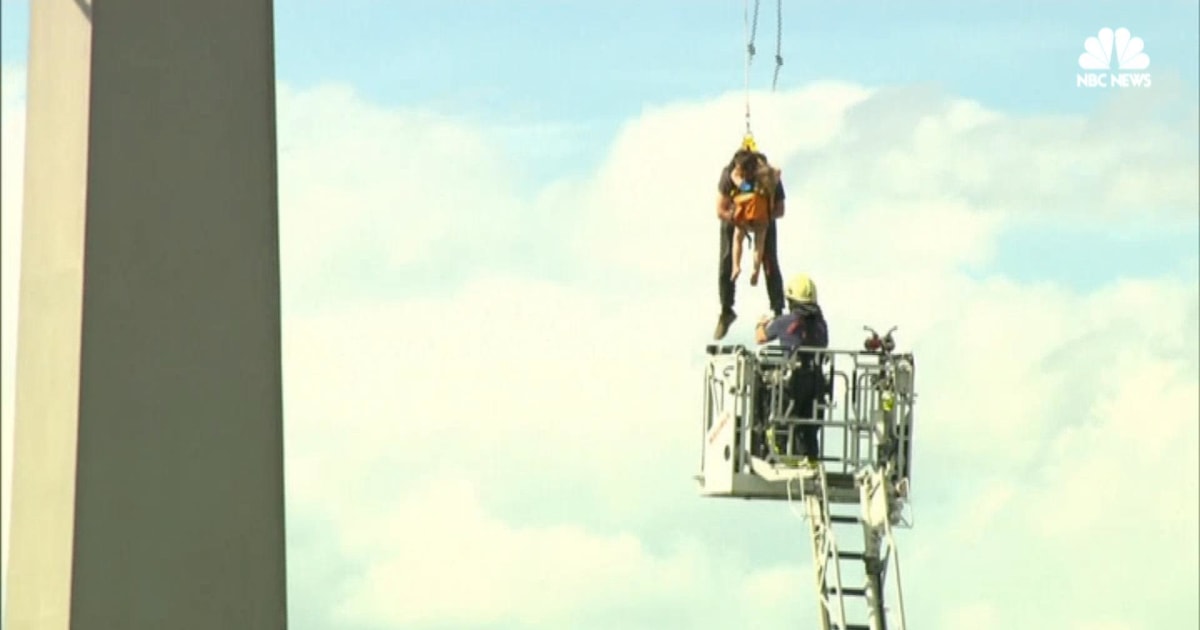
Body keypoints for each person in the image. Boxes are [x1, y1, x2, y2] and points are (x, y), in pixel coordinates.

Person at [714, 141, 786, 340]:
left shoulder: (767, 177)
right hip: (736, 213)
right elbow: (720, 210)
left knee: (768, 257)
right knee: (727, 258)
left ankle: (778, 309)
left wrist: (762, 216)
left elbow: (780, 210)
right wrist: (739, 219)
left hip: (763, 215)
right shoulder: (729, 175)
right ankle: (726, 308)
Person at [754, 273, 829, 463]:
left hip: (793, 384)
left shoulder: (785, 322)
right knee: (809, 426)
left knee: (777, 408)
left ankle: (778, 447)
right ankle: (810, 458)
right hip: (817, 384)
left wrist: (760, 324)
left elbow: (760, 338)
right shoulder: (821, 325)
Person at [728, 151, 781, 287]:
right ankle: (756, 271)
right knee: (759, 243)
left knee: (737, 238)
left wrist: (738, 173)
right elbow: (778, 171)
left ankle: (735, 266)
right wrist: (764, 165)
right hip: (761, 212)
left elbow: (733, 175)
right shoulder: (765, 179)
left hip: (746, 210)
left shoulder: (745, 180)